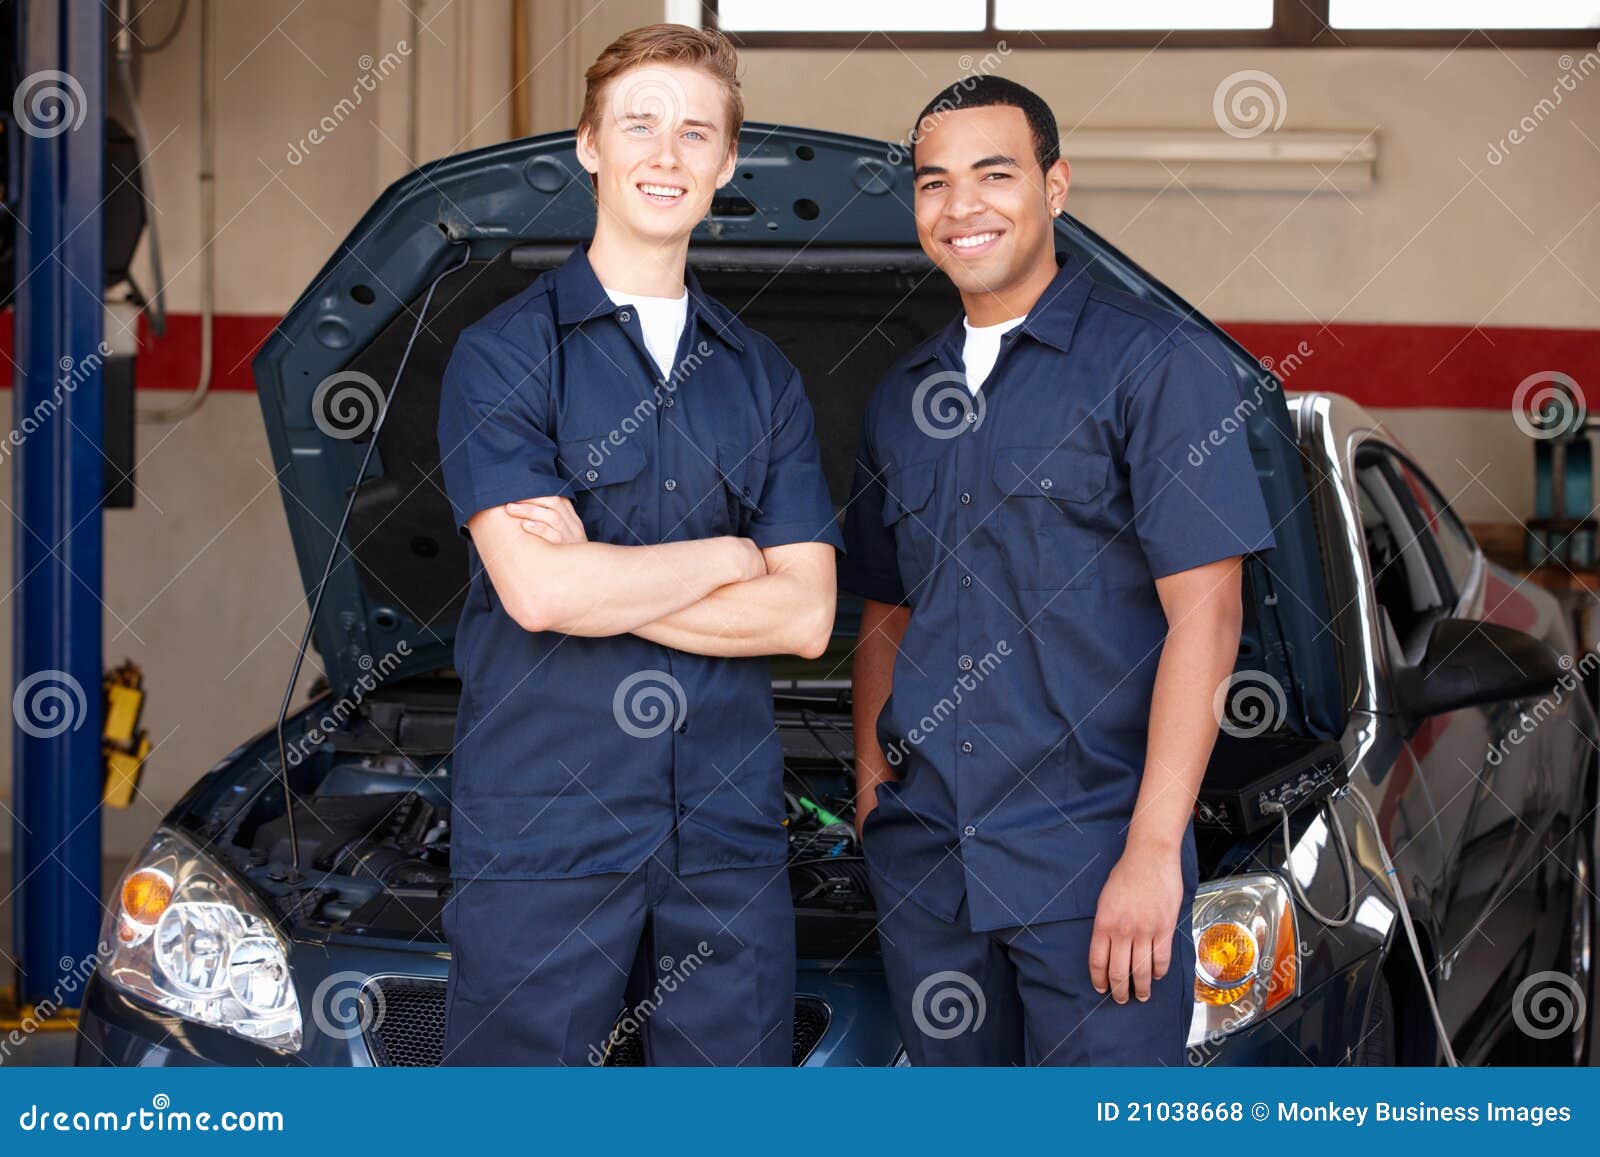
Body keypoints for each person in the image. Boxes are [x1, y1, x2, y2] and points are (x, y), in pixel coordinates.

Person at [841, 76, 1276, 1066]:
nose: (960, 208)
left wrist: (1152, 851)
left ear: (1056, 185)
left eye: (993, 175)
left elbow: (1206, 617)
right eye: (932, 183)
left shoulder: (1156, 365)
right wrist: (875, 797)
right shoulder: (902, 396)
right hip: (930, 869)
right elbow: (886, 611)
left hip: (1091, 862)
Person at [434, 24, 842, 1066]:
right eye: (641, 125)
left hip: (725, 830)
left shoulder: (763, 377)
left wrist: (595, 579)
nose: (667, 155)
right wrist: (727, 556)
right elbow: (534, 594)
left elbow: (804, 616)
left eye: (695, 133)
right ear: (589, 145)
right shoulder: (504, 357)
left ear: (726, 164)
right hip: (544, 829)